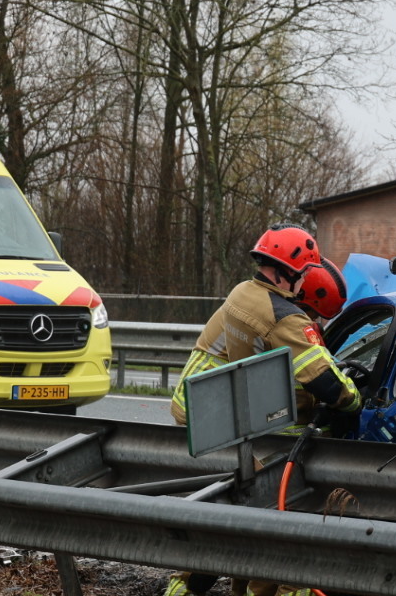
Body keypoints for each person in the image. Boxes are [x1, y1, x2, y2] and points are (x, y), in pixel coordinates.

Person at [166, 227, 359, 596]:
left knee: (229, 525)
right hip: (251, 436)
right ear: (289, 272)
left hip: (212, 422)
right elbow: (327, 383)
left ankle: (189, 585)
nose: (303, 284)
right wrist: (353, 400)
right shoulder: (287, 318)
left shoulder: (241, 293)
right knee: (265, 528)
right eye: (302, 275)